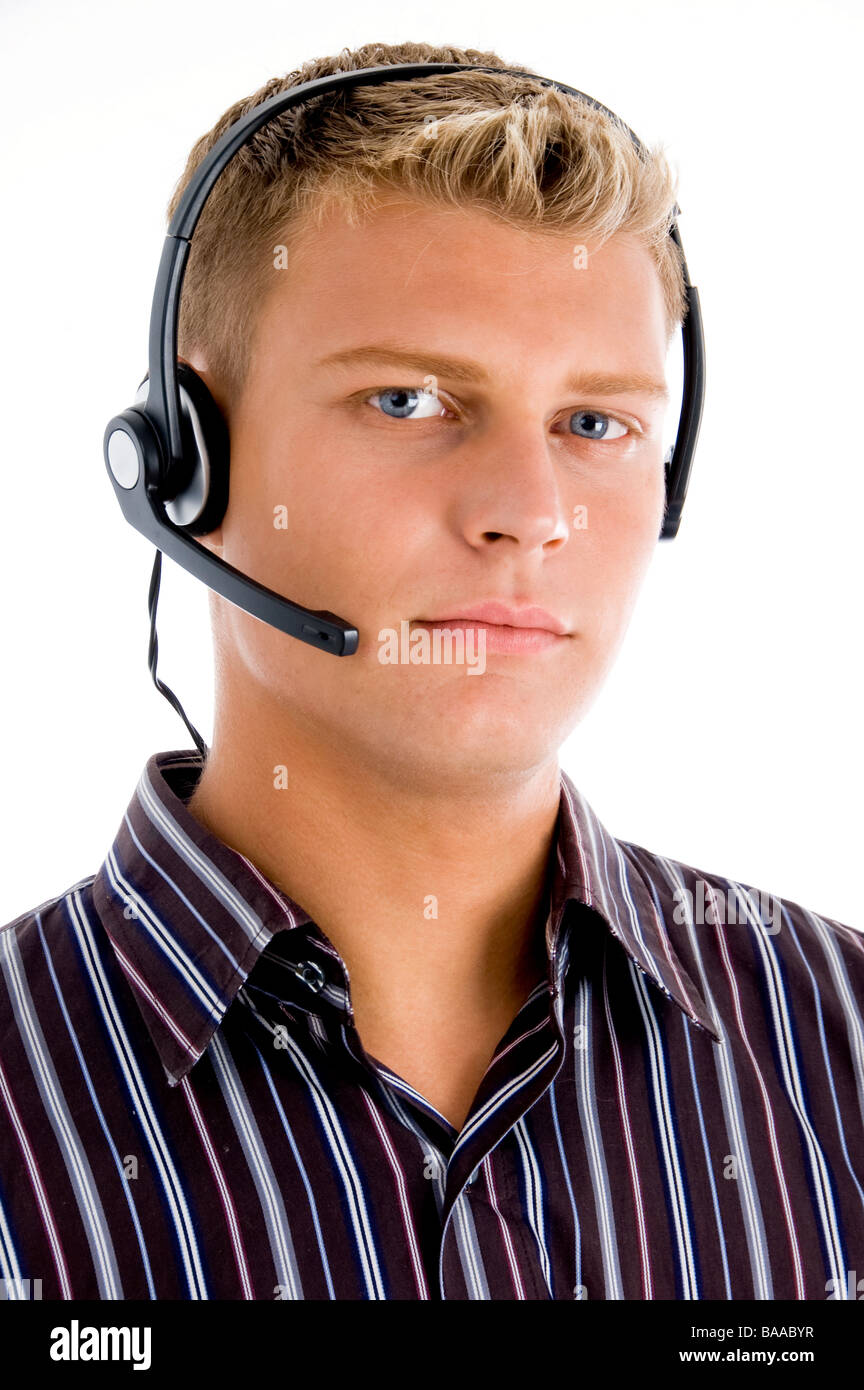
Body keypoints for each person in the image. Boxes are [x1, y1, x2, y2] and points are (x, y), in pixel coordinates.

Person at [1, 39, 861, 1303]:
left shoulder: (837, 1043)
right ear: (187, 468)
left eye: (595, 424)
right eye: (409, 401)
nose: (530, 511)